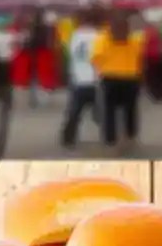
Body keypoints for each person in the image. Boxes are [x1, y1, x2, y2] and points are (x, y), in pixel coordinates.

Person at [91, 12, 144, 146]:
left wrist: (101, 68)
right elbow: (140, 56)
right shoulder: (134, 39)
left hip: (110, 77)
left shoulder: (102, 38)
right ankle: (130, 134)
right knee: (130, 109)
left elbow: (95, 57)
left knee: (109, 110)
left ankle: (110, 137)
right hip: (131, 77)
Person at [60, 8, 101, 146]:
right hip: (96, 79)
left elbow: (69, 55)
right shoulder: (100, 35)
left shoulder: (75, 36)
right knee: (102, 112)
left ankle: (68, 138)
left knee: (74, 112)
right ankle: (111, 138)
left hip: (78, 78)